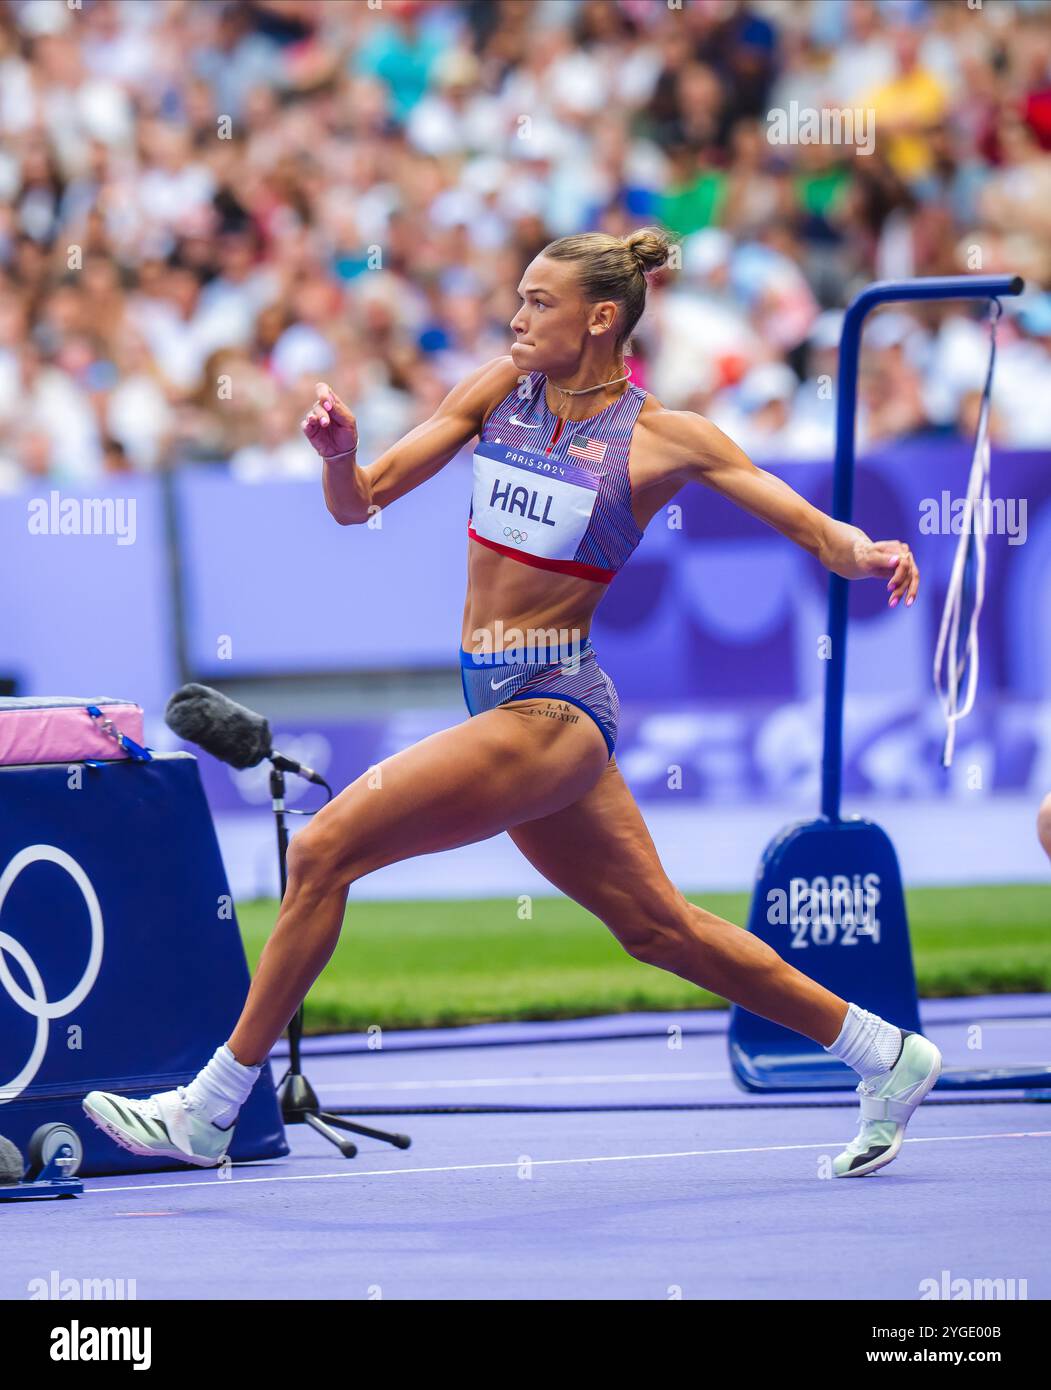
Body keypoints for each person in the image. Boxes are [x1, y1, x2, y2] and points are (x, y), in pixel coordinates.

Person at [84, 228, 940, 1178]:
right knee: (656, 929)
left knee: (323, 849)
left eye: (538, 302)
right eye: (519, 297)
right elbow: (358, 500)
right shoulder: (500, 390)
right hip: (501, 703)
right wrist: (339, 454)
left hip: (553, 707)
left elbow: (808, 526)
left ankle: (209, 1111)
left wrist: (861, 550)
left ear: (600, 318)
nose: (515, 316)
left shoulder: (664, 438)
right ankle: (884, 1052)